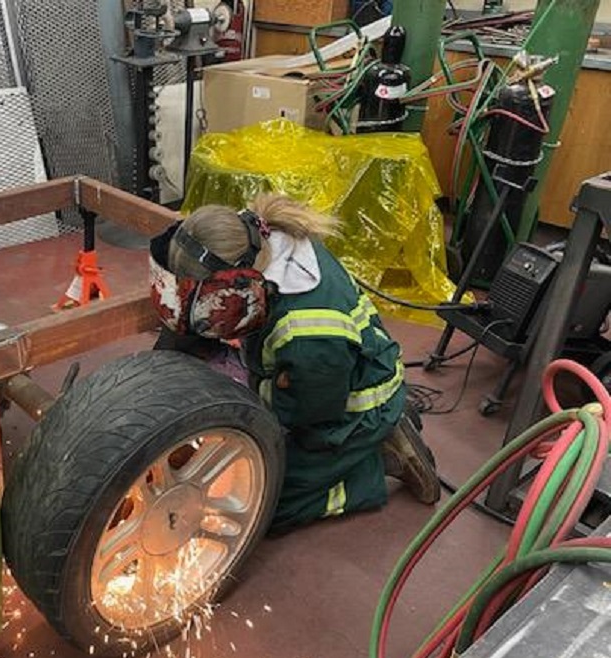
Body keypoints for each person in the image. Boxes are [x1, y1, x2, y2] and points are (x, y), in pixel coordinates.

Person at [149, 193, 439, 535]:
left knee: (252, 507)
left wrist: (237, 427)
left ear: (238, 283)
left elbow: (310, 412)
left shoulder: (308, 335)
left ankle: (376, 464)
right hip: (304, 372)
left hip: (348, 408)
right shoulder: (253, 238)